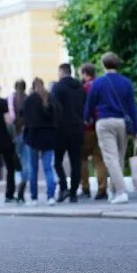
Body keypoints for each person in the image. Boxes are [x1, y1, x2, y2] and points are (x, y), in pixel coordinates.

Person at [83, 52, 137, 205]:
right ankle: (113, 191)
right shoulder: (126, 82)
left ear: (103, 65)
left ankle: (121, 192)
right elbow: (132, 107)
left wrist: (86, 117)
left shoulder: (99, 83)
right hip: (122, 122)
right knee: (119, 158)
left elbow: (90, 104)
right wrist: (136, 129)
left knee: (110, 158)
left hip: (105, 123)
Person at [51, 63, 86, 203]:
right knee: (75, 162)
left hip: (61, 130)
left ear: (61, 72)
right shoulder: (80, 87)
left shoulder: (57, 87)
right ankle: (73, 194)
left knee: (57, 162)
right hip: (77, 128)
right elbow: (84, 105)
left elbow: (54, 108)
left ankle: (64, 187)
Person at [23, 78, 61, 206]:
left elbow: (22, 116)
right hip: (48, 137)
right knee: (48, 169)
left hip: (33, 137)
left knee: (33, 169)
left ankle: (34, 198)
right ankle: (51, 197)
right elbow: (58, 114)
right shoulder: (50, 98)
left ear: (32, 87)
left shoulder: (29, 100)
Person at [79, 63, 108, 199]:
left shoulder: (85, 87)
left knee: (83, 158)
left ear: (85, 73)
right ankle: (102, 189)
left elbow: (85, 107)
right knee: (100, 159)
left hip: (88, 128)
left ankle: (85, 188)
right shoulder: (102, 85)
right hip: (102, 125)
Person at [7, 79, 30, 202]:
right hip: (26, 134)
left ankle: (16, 188)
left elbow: (9, 119)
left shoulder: (10, 99)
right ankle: (22, 187)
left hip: (14, 135)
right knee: (26, 164)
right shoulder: (28, 99)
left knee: (16, 164)